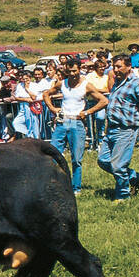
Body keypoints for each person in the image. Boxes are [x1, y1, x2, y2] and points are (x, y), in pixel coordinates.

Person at [97, 55, 139, 200]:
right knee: (103, 160)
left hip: (128, 129)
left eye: (119, 66)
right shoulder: (117, 83)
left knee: (118, 166)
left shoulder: (137, 84)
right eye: (114, 66)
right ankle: (135, 177)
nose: (115, 69)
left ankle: (123, 197)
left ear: (129, 66)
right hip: (112, 129)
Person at [46, 59, 108, 195]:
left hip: (76, 123)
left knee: (76, 158)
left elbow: (104, 100)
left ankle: (76, 188)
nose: (72, 74)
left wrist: (87, 112)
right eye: (69, 71)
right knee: (52, 155)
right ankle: (55, 185)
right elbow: (46, 94)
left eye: (75, 70)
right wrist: (52, 108)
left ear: (80, 69)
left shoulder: (86, 85)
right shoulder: (62, 83)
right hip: (62, 122)